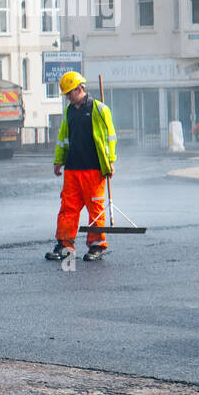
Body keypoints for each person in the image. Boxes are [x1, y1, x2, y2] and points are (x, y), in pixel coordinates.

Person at [46, 72, 117, 262]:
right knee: (68, 207)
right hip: (72, 169)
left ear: (80, 89)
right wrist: (58, 160)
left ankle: (96, 246)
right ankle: (64, 245)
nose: (67, 97)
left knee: (95, 208)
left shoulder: (100, 110)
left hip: (94, 169)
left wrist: (110, 161)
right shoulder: (69, 111)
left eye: (69, 93)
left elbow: (110, 138)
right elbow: (63, 139)